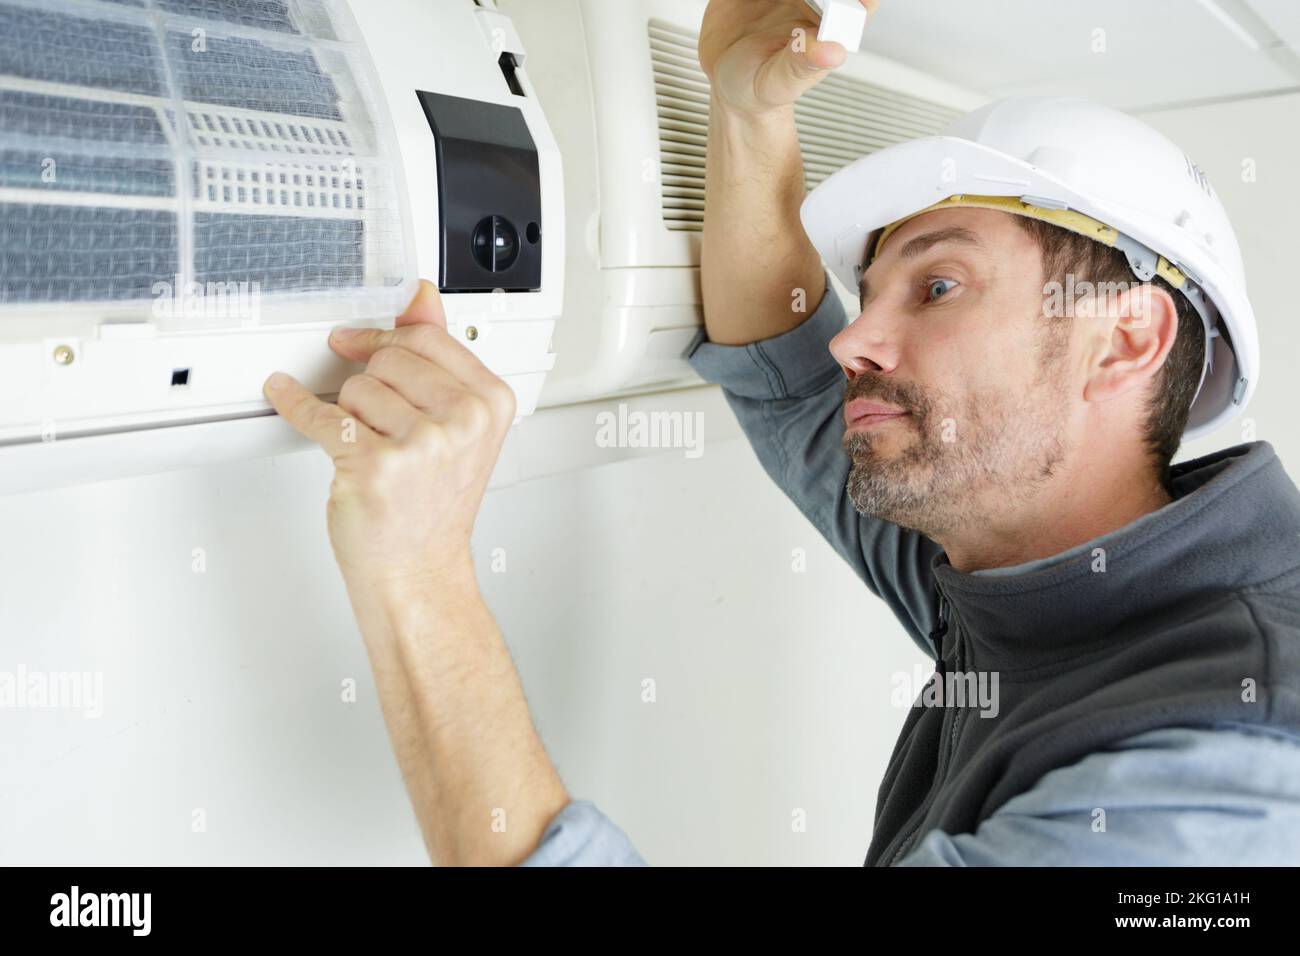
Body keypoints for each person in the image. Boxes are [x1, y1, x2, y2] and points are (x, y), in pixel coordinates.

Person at [263, 0, 1300, 865]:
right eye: (870, 289)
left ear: (1122, 341)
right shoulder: (1026, 563)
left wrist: (419, 572)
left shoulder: (1231, 775)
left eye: (937, 285)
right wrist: (747, 114)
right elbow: (789, 373)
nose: (856, 341)